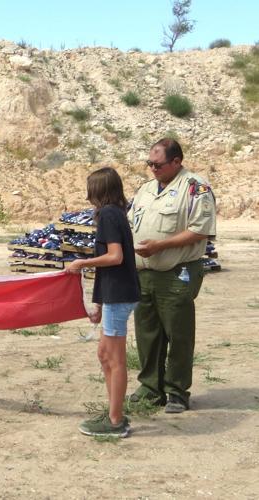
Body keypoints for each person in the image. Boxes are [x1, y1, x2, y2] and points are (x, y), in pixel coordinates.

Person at [128, 138, 217, 414]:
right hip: (144, 273)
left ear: (176, 162)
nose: (152, 168)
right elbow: (132, 221)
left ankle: (177, 391)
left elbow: (200, 230)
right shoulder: (145, 189)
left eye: (158, 164)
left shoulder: (194, 188)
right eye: (149, 164)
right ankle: (151, 388)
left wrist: (160, 246)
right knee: (147, 333)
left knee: (177, 333)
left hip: (177, 273)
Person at [66, 167, 139, 438]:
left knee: (115, 359)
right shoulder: (115, 213)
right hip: (115, 295)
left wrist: (82, 262)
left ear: (98, 190)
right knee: (104, 355)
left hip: (119, 297)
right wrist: (98, 303)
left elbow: (115, 257)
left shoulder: (108, 214)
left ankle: (116, 420)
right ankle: (114, 411)